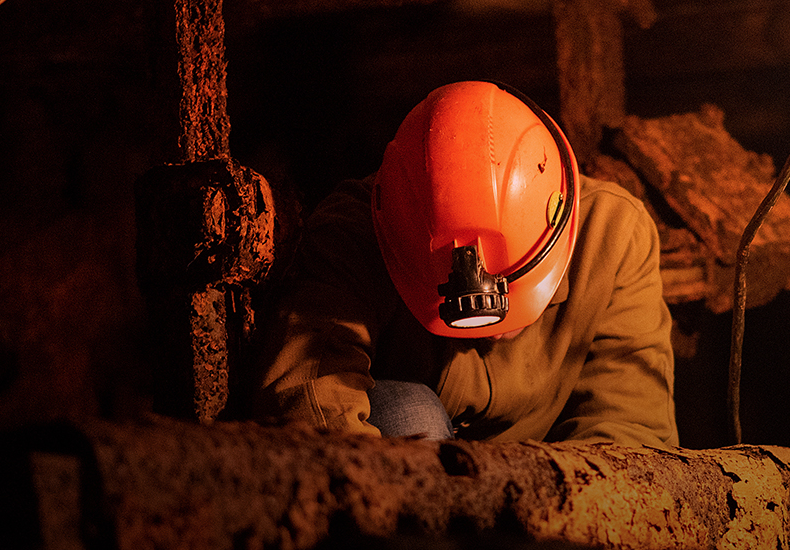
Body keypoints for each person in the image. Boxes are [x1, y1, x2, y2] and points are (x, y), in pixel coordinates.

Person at [250, 81, 678, 448]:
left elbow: (630, 425)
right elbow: (310, 398)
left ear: (559, 227)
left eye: (515, 275)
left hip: (547, 474)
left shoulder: (614, 233)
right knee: (410, 413)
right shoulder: (355, 230)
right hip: (402, 449)